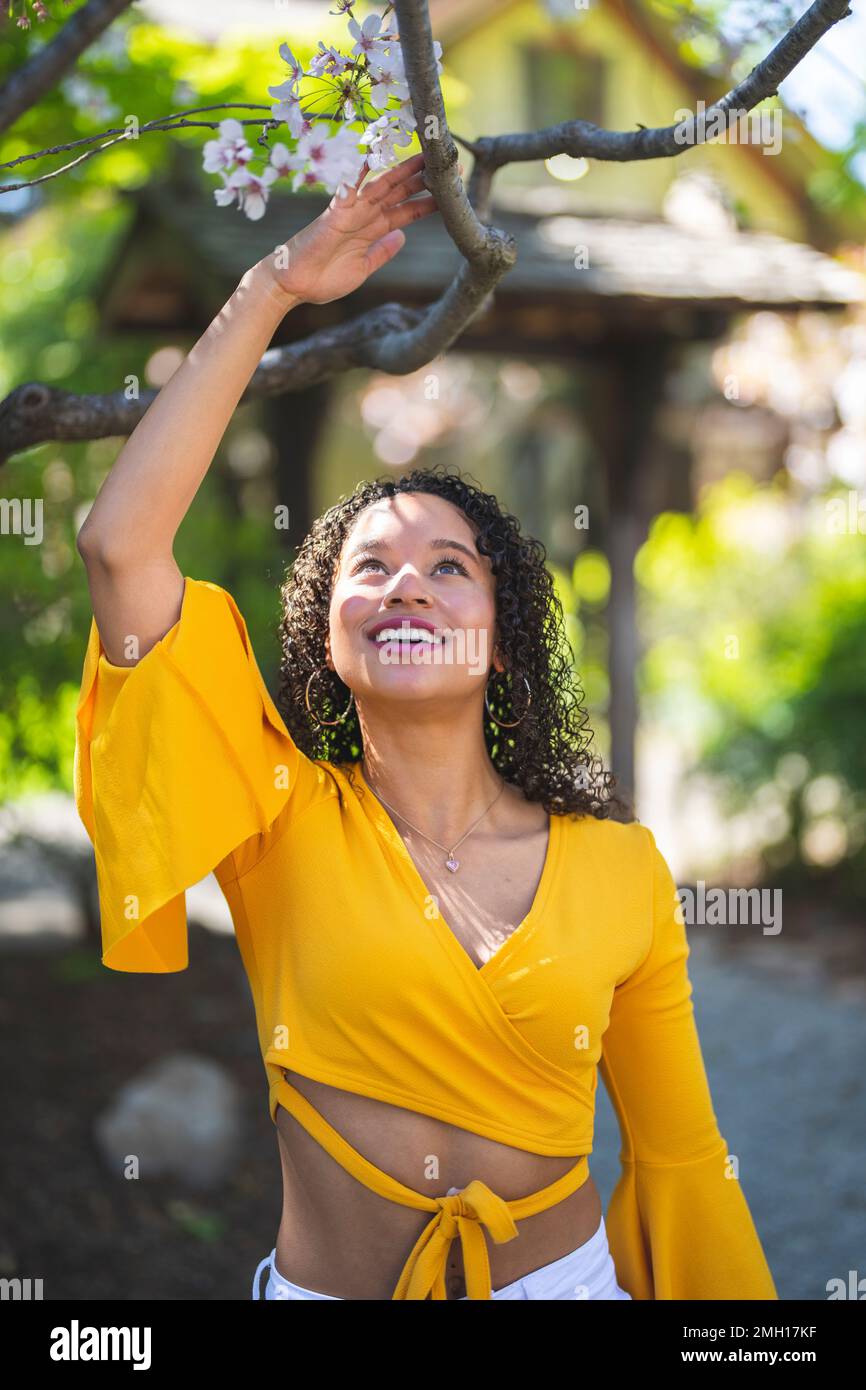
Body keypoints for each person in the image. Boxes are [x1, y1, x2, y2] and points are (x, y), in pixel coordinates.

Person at [74, 151, 778, 1301]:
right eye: (370, 569)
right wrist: (271, 290)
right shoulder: (275, 815)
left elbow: (678, 1159)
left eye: (448, 567)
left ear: (501, 636)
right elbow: (121, 548)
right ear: (326, 634)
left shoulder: (623, 868)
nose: (406, 587)